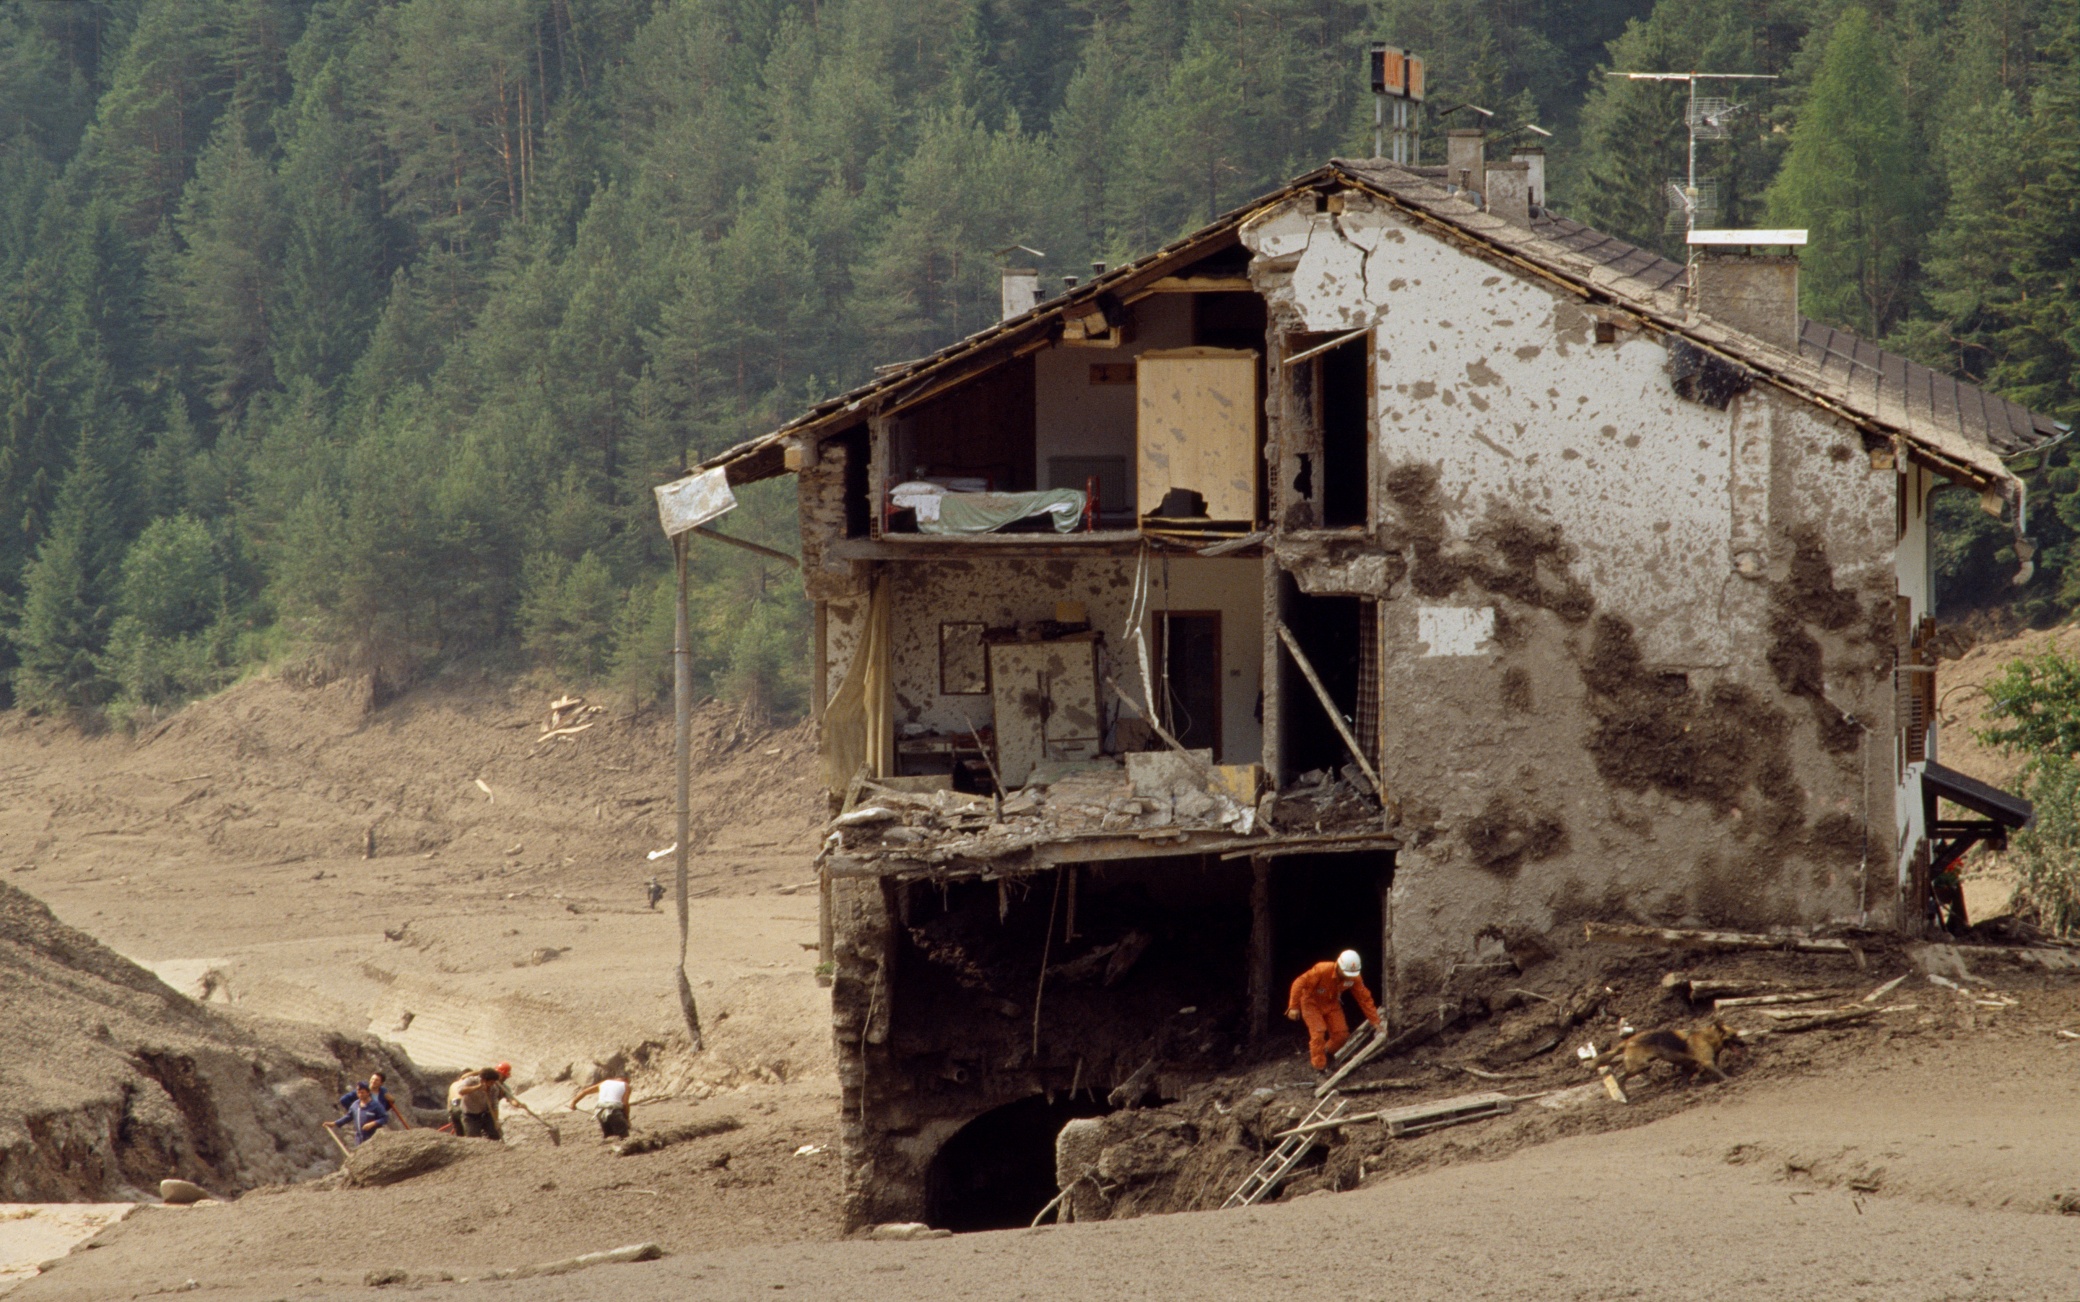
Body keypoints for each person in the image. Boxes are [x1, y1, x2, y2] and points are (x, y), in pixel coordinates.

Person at [1286, 949, 1383, 1073]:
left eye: (1351, 974)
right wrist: (1293, 1006)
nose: (1349, 976)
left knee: (1341, 1035)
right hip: (1311, 1003)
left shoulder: (1354, 977)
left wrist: (1375, 1021)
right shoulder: (1322, 969)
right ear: (1339, 965)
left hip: (1332, 1003)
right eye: (1346, 973)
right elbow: (1299, 982)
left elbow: (1364, 998)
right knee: (1318, 1032)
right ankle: (1319, 1068)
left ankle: (1326, 1053)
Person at [447, 1063, 515, 1140]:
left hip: (485, 1114)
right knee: (474, 1138)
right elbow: (461, 1091)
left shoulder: (495, 1088)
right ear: (484, 1080)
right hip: (470, 1115)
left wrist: (496, 1121)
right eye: (491, 1082)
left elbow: (494, 1105)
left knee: (495, 1135)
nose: (493, 1084)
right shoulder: (471, 1081)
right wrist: (478, 1087)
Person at [337, 1071, 411, 1130]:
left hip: (377, 1122)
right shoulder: (363, 1090)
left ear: (381, 1083)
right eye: (372, 1079)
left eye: (376, 1080)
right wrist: (355, 1111)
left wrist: (392, 1100)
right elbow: (344, 1100)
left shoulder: (383, 1092)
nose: (373, 1081)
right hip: (364, 1121)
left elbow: (386, 1105)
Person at [326, 1082, 391, 1147]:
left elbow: (385, 1118)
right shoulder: (355, 1105)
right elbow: (349, 1116)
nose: (360, 1095)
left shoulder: (376, 1105)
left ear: (368, 1093)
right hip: (359, 1138)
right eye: (358, 1092)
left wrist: (372, 1123)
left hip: (373, 1138)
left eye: (362, 1093)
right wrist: (334, 1123)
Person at [567, 1076, 633, 1138]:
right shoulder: (626, 1085)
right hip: (614, 1111)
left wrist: (573, 1103)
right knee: (623, 1136)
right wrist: (627, 1119)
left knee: (609, 1137)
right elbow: (625, 1103)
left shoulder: (605, 1083)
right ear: (626, 1079)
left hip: (600, 1112)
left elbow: (585, 1092)